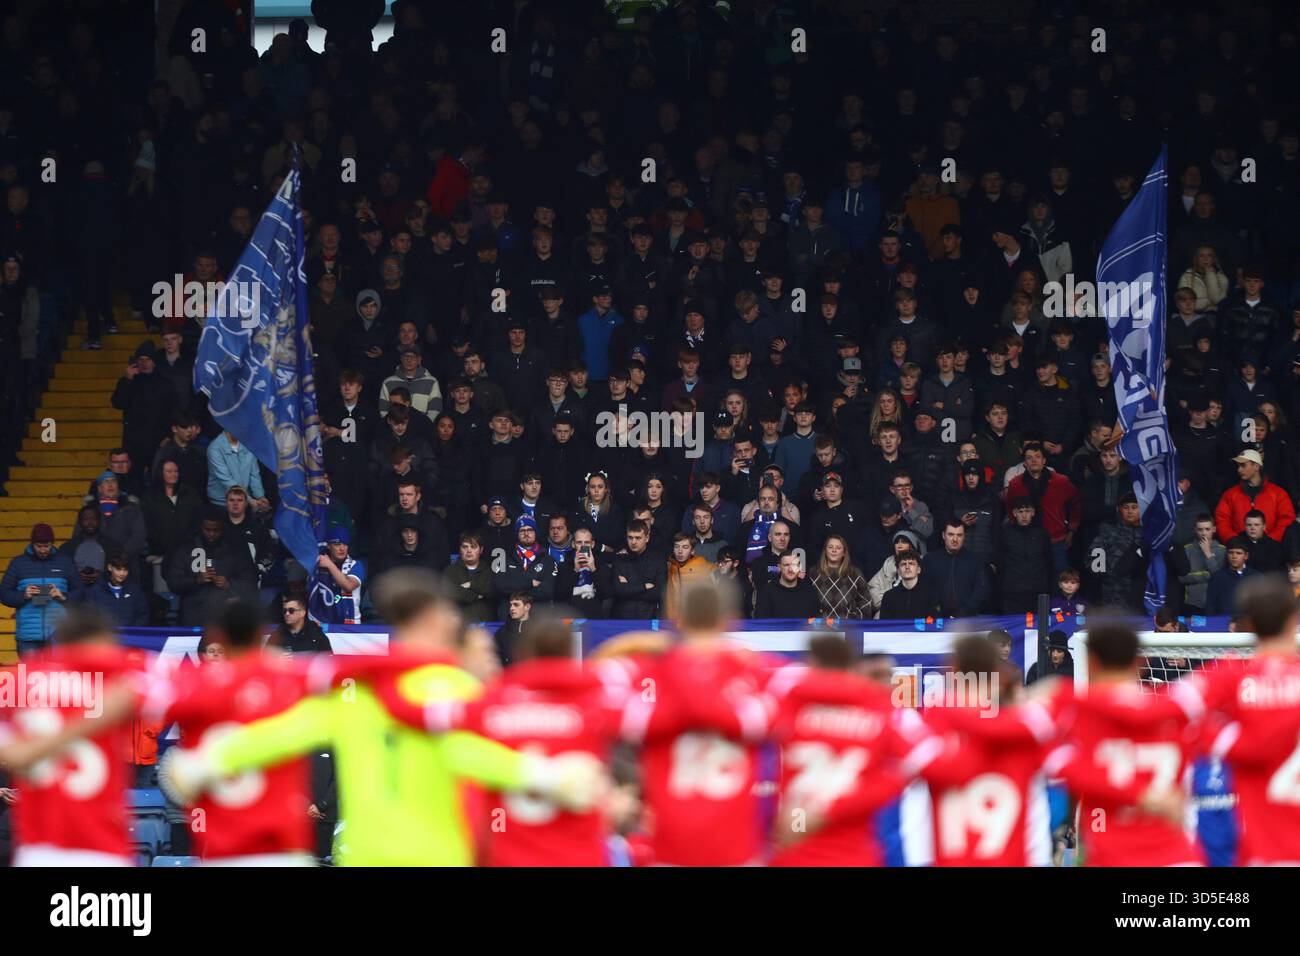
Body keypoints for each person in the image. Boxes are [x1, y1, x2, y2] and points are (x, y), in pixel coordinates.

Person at [159, 568, 606, 867]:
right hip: (437, 855)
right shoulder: (457, 689)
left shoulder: (364, 688)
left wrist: (209, 761)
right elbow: (468, 752)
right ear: (436, 621)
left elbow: (292, 729)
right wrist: (543, 774)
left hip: (366, 854)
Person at [769, 634, 937, 865]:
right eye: (876, 675)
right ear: (853, 674)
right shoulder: (795, 709)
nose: (885, 683)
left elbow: (936, 764)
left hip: (875, 844)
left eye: (889, 676)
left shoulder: (899, 718)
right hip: (809, 840)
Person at [1046, 619, 1202, 866]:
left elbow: (1057, 767)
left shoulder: (1076, 717)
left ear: (1090, 662)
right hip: (1177, 857)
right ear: (1139, 663)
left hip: (1114, 858)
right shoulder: (1177, 712)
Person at [1189, 574, 1300, 865]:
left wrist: (1221, 739)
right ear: (1293, 619)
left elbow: (1168, 711)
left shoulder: (1229, 678)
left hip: (1263, 851)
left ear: (1247, 625)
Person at [164, 509, 259, 627]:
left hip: (226, 621)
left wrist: (230, 585)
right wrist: (196, 580)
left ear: (222, 529)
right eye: (207, 530)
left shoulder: (235, 551)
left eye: (216, 530)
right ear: (200, 527)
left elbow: (251, 583)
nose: (211, 534)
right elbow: (173, 582)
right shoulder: (186, 550)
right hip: (192, 619)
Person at [0, 523, 78, 657]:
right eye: (39, 546)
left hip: (58, 634)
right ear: (32, 544)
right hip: (28, 637)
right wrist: (24, 595)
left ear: (52, 544)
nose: (43, 550)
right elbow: (4, 594)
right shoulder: (18, 564)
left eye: (46, 546)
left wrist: (63, 596)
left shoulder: (65, 562)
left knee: (57, 677)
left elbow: (81, 592)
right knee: (30, 677)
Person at [1215, 449, 1294, 543]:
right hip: (1239, 552)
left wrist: (1271, 540)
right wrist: (1233, 540)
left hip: (1270, 550)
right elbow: (1222, 519)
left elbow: (1287, 520)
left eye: (1243, 465)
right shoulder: (1230, 494)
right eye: (1238, 466)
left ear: (1256, 466)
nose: (1239, 470)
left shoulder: (1278, 493)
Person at [923, 520, 990, 617]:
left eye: (959, 535)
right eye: (951, 534)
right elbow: (924, 588)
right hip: (937, 619)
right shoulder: (930, 559)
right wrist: (935, 609)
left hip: (967, 619)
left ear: (964, 537)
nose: (955, 539)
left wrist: (966, 611)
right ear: (943, 535)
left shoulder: (975, 560)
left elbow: (981, 590)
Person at [309, 526, 365, 625]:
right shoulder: (317, 565)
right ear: (329, 546)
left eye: (345, 544)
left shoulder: (356, 565)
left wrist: (329, 565)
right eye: (337, 544)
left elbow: (349, 585)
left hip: (350, 625)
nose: (342, 548)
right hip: (321, 623)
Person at [78, 550, 149, 627]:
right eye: (118, 569)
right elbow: (89, 615)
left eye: (125, 570)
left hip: (130, 636)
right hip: (105, 636)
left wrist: (133, 631)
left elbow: (143, 615)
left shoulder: (135, 590)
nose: (122, 573)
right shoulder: (96, 590)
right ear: (110, 567)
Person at [610, 520, 665, 618]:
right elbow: (618, 591)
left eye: (638, 538)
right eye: (630, 537)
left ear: (647, 538)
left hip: (647, 617)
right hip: (621, 618)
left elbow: (659, 593)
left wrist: (628, 588)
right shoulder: (619, 558)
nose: (633, 542)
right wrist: (644, 587)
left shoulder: (658, 560)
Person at [810, 534, 870, 619]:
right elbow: (805, 601)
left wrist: (853, 621)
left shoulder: (855, 573)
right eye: (830, 547)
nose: (834, 550)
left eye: (838, 548)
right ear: (825, 551)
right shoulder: (813, 573)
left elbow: (866, 601)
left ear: (844, 553)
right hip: (819, 627)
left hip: (848, 628)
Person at [443, 532, 497, 624]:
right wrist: (477, 595)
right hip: (457, 621)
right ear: (460, 550)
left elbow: (491, 591)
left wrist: (471, 584)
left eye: (473, 547)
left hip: (484, 623)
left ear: (481, 550)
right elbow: (449, 593)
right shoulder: (450, 571)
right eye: (465, 547)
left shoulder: (489, 570)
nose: (469, 550)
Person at [878, 550, 940, 619]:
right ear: (898, 571)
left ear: (919, 569)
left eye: (911, 563)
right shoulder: (889, 597)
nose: (907, 567)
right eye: (903, 564)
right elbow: (885, 627)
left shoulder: (931, 595)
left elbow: (935, 623)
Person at [756, 551, 820, 618]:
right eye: (786, 565)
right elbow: (761, 624)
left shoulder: (810, 592)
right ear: (779, 567)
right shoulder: (766, 592)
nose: (790, 569)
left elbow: (816, 623)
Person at [1205, 539, 1260, 615]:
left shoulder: (1256, 577)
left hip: (1248, 623)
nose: (1234, 556)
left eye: (1238, 553)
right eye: (1231, 553)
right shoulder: (1218, 577)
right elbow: (1211, 606)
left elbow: (1261, 605)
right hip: (1222, 624)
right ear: (1227, 554)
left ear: (1246, 556)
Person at [664, 534, 712, 619]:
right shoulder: (668, 566)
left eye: (685, 547)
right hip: (672, 621)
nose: (680, 551)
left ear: (692, 551)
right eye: (676, 547)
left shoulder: (703, 565)